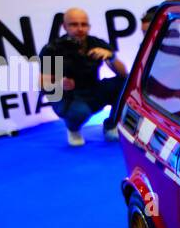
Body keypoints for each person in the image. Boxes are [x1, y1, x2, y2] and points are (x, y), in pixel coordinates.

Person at [39, 8, 126, 146]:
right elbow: (43, 83)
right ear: (65, 26)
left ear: (89, 26)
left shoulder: (97, 43)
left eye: (83, 24)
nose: (80, 29)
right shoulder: (53, 49)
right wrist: (60, 83)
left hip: (92, 90)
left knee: (126, 84)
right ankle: (73, 129)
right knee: (80, 111)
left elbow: (123, 74)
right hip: (68, 97)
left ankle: (111, 125)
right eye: (74, 24)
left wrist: (112, 56)